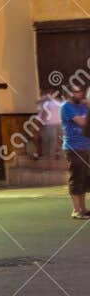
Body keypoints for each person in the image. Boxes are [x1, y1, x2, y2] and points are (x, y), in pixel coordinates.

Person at [62, 87, 90, 219]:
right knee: (76, 177)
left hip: (86, 146)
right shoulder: (66, 107)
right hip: (74, 147)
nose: (81, 94)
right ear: (70, 94)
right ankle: (76, 210)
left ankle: (83, 209)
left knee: (84, 178)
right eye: (77, 92)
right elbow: (83, 122)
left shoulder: (83, 107)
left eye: (81, 92)